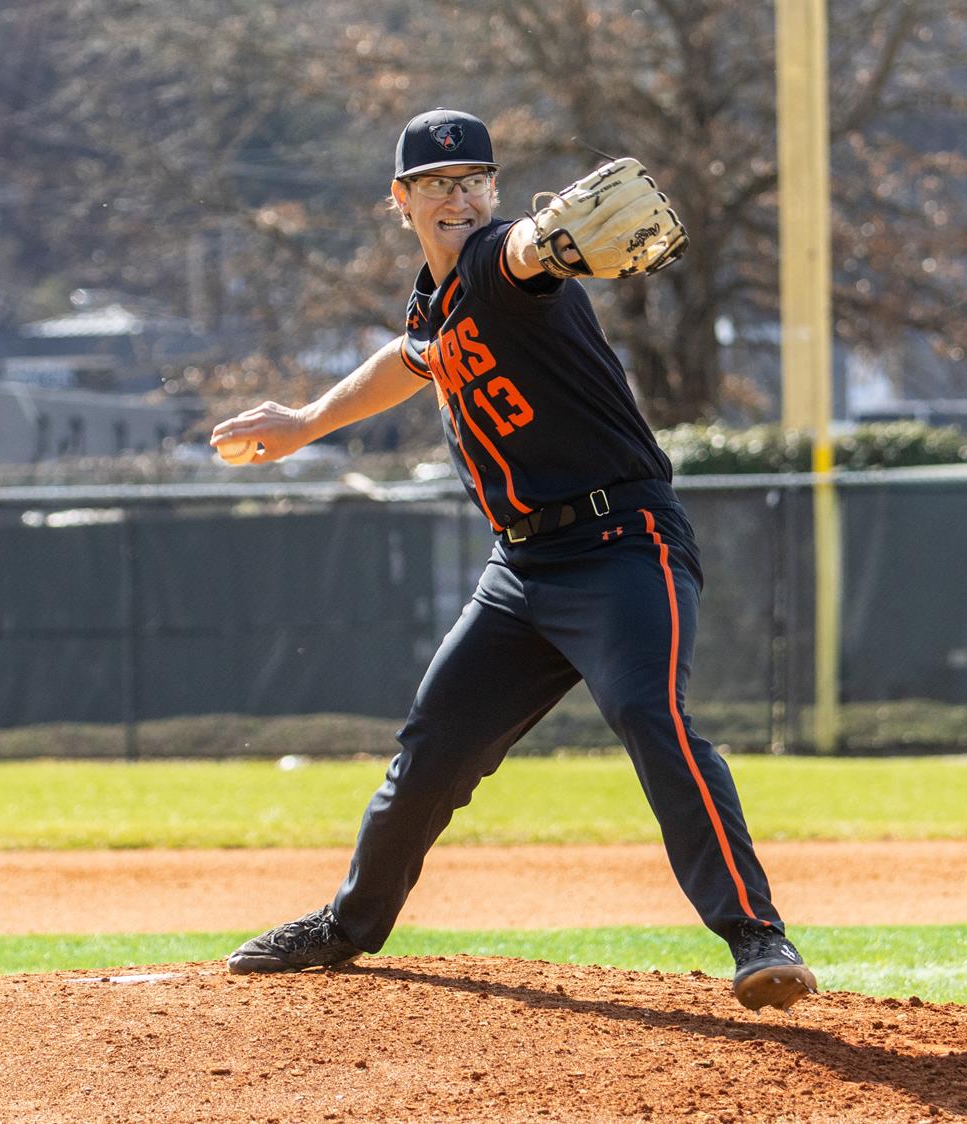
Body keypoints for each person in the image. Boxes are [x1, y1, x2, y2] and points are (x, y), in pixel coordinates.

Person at [208, 108, 816, 1011]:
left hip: (623, 544)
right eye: (436, 185)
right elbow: (410, 357)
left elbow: (525, 254)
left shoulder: (500, 262)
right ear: (401, 200)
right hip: (522, 571)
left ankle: (755, 934)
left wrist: (545, 237)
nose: (456, 197)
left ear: (494, 190)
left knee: (650, 713)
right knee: (434, 747)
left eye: (473, 180)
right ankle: (348, 925)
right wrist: (304, 423)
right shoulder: (438, 303)